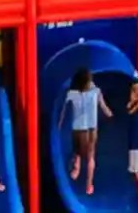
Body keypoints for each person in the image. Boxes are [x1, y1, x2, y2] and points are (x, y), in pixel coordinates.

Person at [57, 67, 112, 195]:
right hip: (92, 128)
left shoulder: (72, 93)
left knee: (77, 150)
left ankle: (77, 165)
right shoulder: (96, 92)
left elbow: (63, 110)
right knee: (90, 156)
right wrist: (110, 115)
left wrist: (60, 122)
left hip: (78, 127)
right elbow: (104, 108)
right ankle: (89, 185)